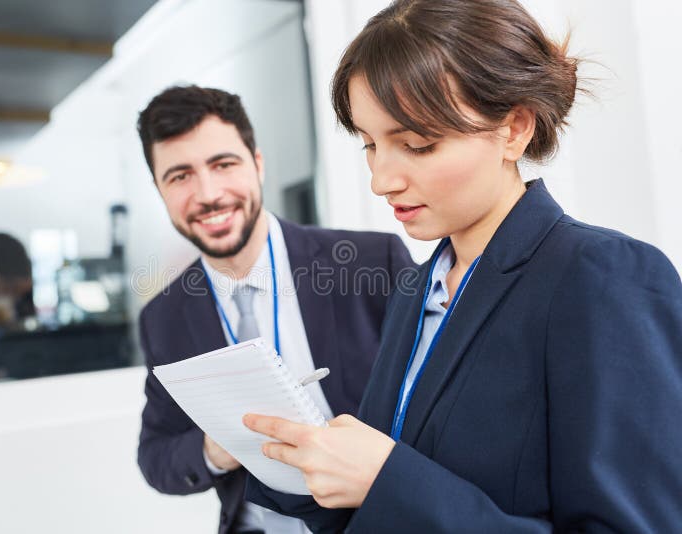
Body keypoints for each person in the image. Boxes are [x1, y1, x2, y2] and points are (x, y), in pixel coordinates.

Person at [242, 0, 682, 531]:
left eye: (417, 145)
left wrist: (387, 480)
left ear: (515, 127)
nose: (382, 179)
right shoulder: (417, 287)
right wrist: (298, 459)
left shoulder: (604, 278)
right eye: (370, 145)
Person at [134, 85, 415, 534]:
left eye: (223, 165)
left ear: (257, 164)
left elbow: (436, 414)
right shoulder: (163, 318)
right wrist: (217, 447)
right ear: (159, 189)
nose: (208, 194)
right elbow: (156, 456)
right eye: (180, 176)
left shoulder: (370, 264)